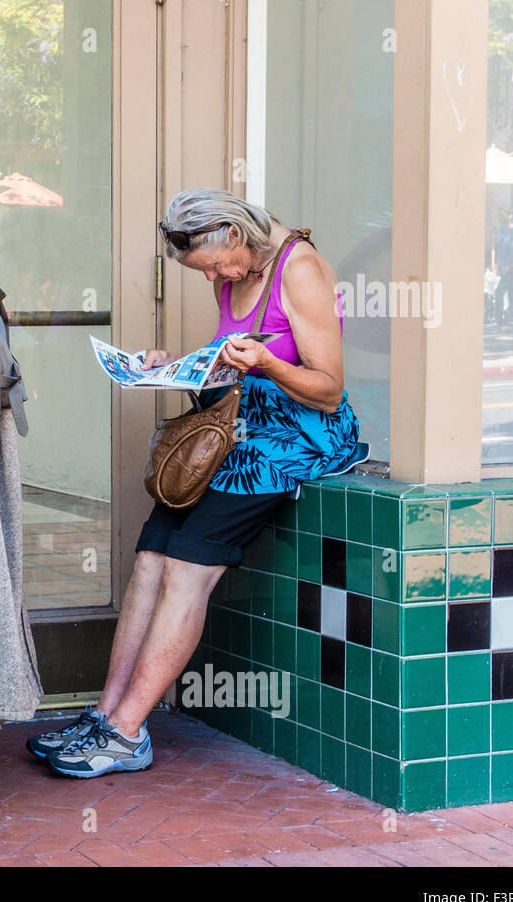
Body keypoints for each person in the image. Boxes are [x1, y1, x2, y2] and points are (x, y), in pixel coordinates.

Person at [27, 187, 366, 778]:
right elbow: (231, 362)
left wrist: (265, 364)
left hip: (290, 443)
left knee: (186, 568)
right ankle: (105, 713)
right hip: (236, 432)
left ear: (233, 235)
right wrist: (176, 364)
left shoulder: (301, 268)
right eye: (202, 270)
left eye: (212, 265)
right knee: (152, 555)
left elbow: (328, 387)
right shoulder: (231, 270)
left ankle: (129, 733)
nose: (212, 277)